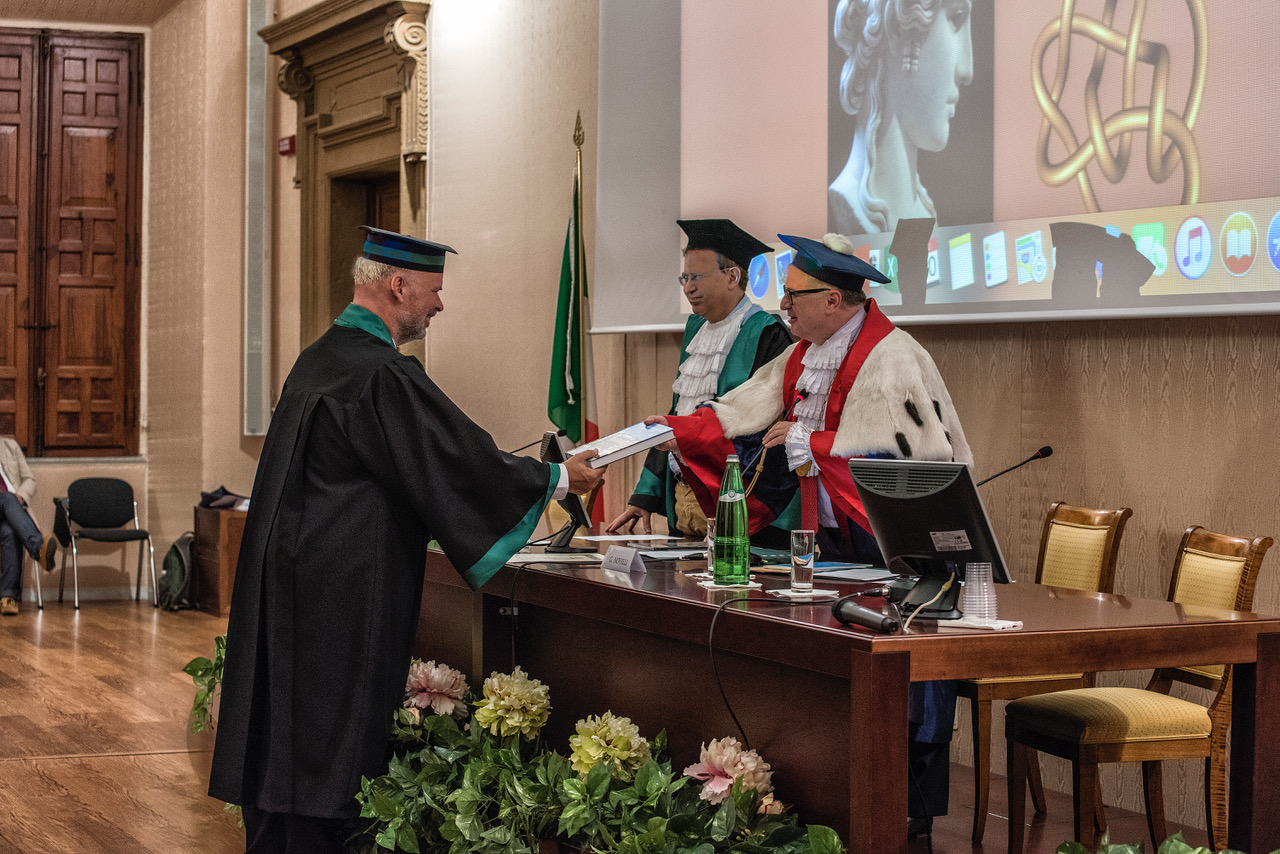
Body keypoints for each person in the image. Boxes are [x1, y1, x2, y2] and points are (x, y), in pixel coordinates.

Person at [209, 227, 606, 853]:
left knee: (290, 748)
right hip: (341, 598)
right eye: (434, 290)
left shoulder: (320, 357)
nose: (440, 305)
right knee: (327, 755)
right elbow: (455, 458)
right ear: (399, 285)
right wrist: (558, 477)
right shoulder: (381, 373)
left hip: (298, 587)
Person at [649, 232, 971, 834]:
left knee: (905, 686)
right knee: (828, 670)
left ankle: (907, 819)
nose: (784, 309)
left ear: (839, 299)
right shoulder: (805, 353)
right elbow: (743, 407)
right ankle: (833, 803)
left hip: (899, 547)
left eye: (795, 297)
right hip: (832, 539)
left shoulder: (893, 354)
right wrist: (675, 430)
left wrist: (810, 443)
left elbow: (904, 461)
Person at [606, 218, 791, 541]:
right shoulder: (696, 330)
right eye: (684, 277)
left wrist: (734, 507)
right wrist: (645, 497)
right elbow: (677, 415)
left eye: (696, 277)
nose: (687, 287)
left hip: (735, 505)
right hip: (683, 502)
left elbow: (759, 432)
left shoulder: (766, 334)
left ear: (733, 276)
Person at [829, 0, 974, 235]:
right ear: (897, 30)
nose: (967, 70)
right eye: (955, 18)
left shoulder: (923, 208)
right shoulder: (847, 200)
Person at [0, 437, 58, 616]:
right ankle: (38, 547)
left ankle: (8, 597)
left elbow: (29, 479)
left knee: (10, 531)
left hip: (9, 513)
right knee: (8, 498)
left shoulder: (9, 446)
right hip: (9, 502)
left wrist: (21, 496)